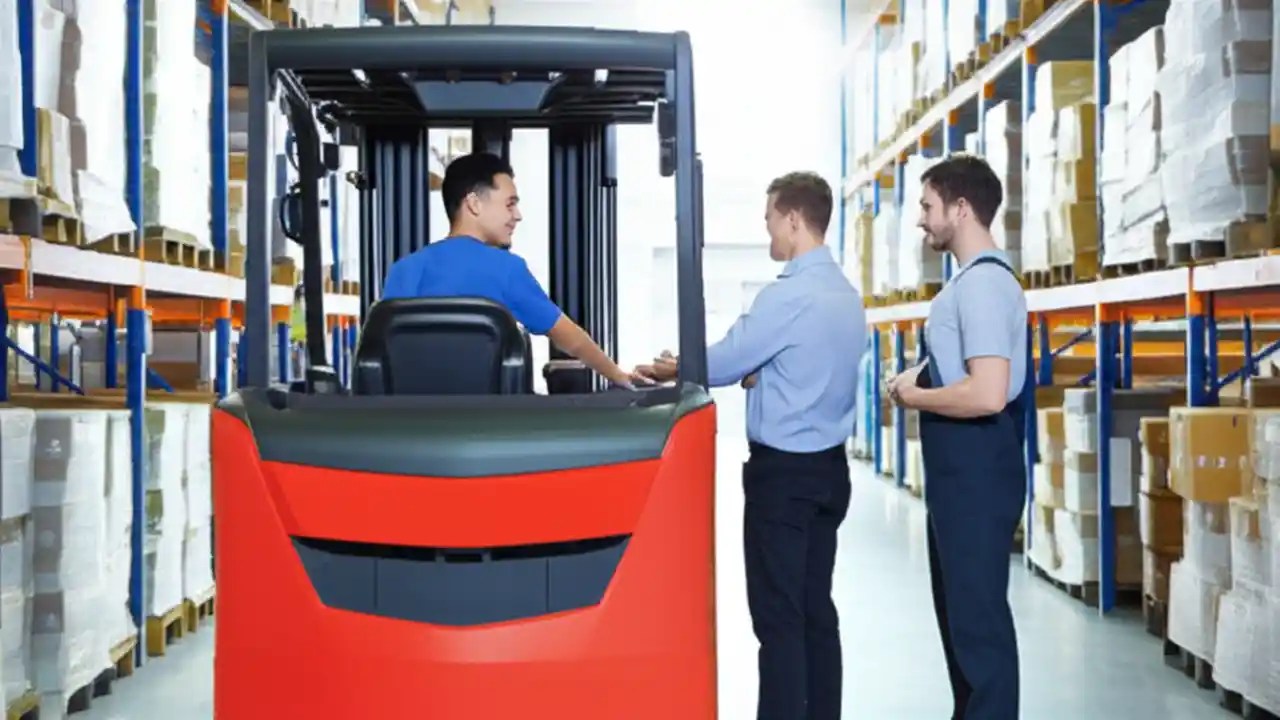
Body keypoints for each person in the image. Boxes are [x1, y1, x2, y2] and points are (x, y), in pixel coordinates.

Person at [638, 171, 866, 720]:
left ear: (793, 219)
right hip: (829, 473)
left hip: (783, 479)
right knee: (816, 611)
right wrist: (760, 372)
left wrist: (676, 367)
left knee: (779, 618)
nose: (767, 230)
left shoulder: (787, 296)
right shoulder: (845, 295)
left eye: (770, 219)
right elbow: (794, 365)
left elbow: (722, 361)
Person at [885, 154, 1028, 720]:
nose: (921, 218)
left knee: (979, 630)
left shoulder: (984, 285)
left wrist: (914, 398)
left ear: (961, 208)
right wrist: (916, 377)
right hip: (961, 479)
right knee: (962, 625)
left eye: (927, 206)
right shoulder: (969, 284)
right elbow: (965, 365)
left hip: (976, 479)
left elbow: (988, 392)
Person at [380, 152, 646, 388]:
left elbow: (383, 351)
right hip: (492, 421)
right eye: (510, 204)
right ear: (474, 203)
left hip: (411, 419)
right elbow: (569, 339)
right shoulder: (507, 268)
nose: (517, 215)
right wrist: (619, 376)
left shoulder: (403, 270)